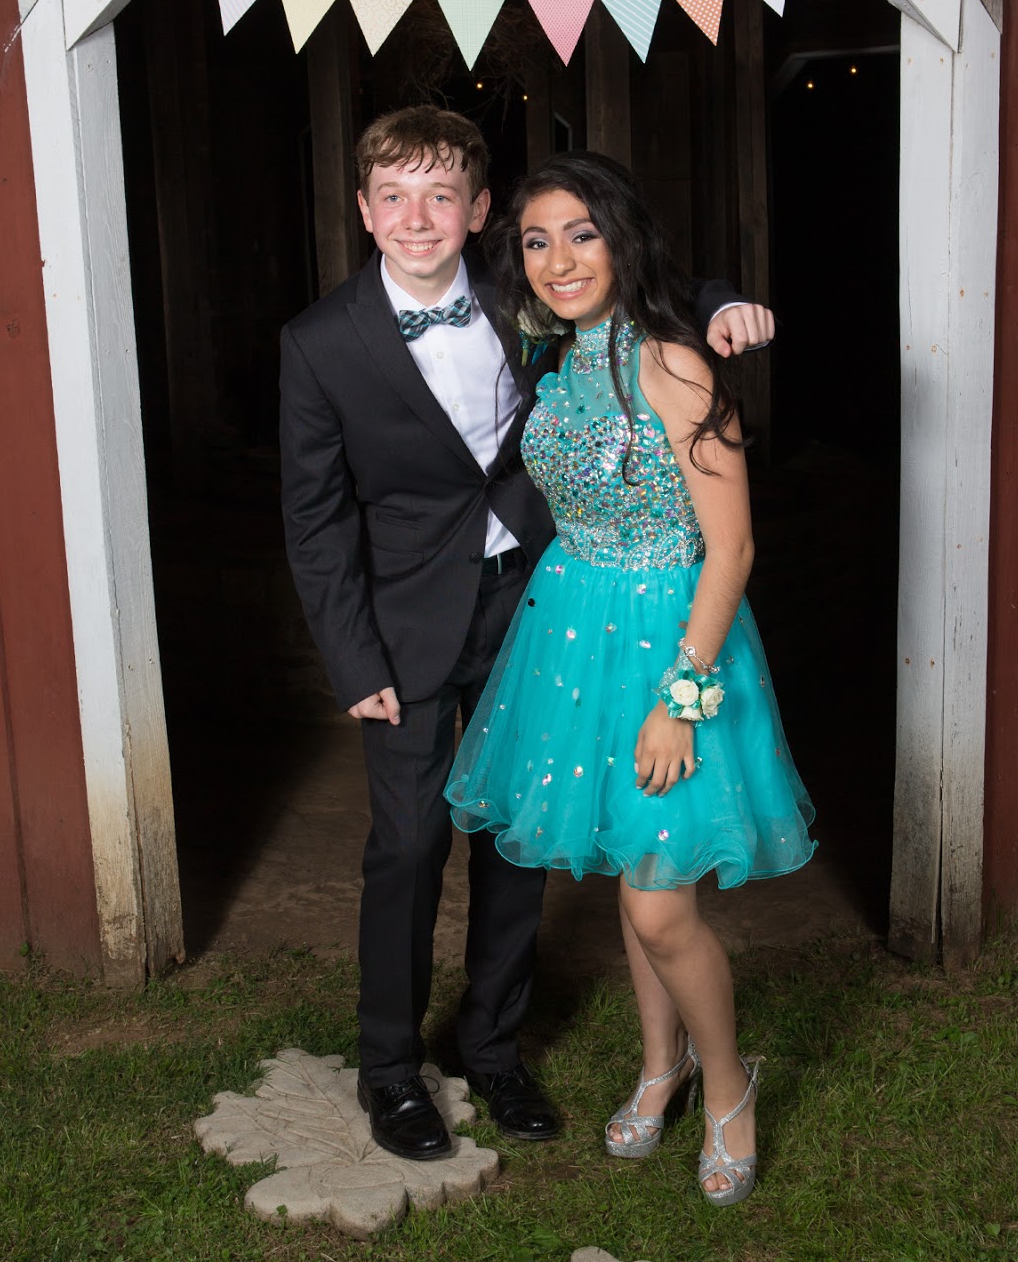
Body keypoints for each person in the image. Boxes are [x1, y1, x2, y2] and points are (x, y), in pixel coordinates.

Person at [279, 107, 774, 1163]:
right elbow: (315, 518)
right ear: (364, 212)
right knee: (408, 842)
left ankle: (492, 1049)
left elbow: (645, 280)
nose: (418, 218)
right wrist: (350, 656)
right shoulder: (318, 341)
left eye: (440, 195)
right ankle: (388, 1069)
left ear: (477, 210)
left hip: (539, 610)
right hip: (405, 627)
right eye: (394, 197)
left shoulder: (526, 293)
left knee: (520, 842)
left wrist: (724, 301)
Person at [446, 150, 815, 1205]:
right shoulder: (552, 354)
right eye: (535, 238)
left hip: (673, 642)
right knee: (622, 857)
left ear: (620, 239)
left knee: (660, 908)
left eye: (581, 233)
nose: (559, 258)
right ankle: (661, 1068)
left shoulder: (676, 362)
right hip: (570, 633)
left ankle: (728, 1084)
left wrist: (678, 699)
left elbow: (732, 550)